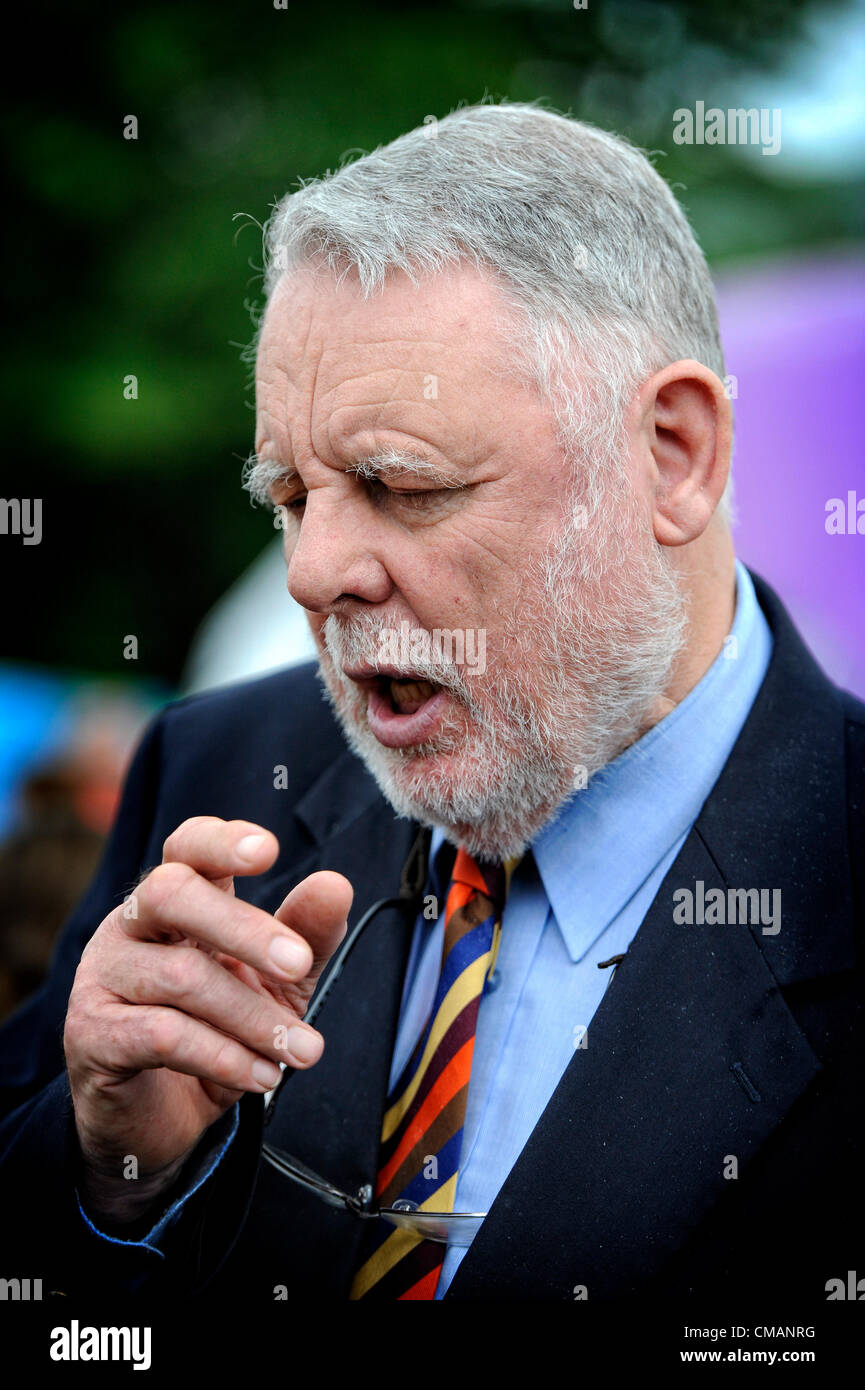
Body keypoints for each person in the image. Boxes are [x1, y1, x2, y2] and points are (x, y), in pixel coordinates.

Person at [0, 102, 861, 1305]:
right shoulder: (216, 768)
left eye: (399, 483)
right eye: (291, 496)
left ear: (671, 454)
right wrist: (112, 1167)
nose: (312, 572)